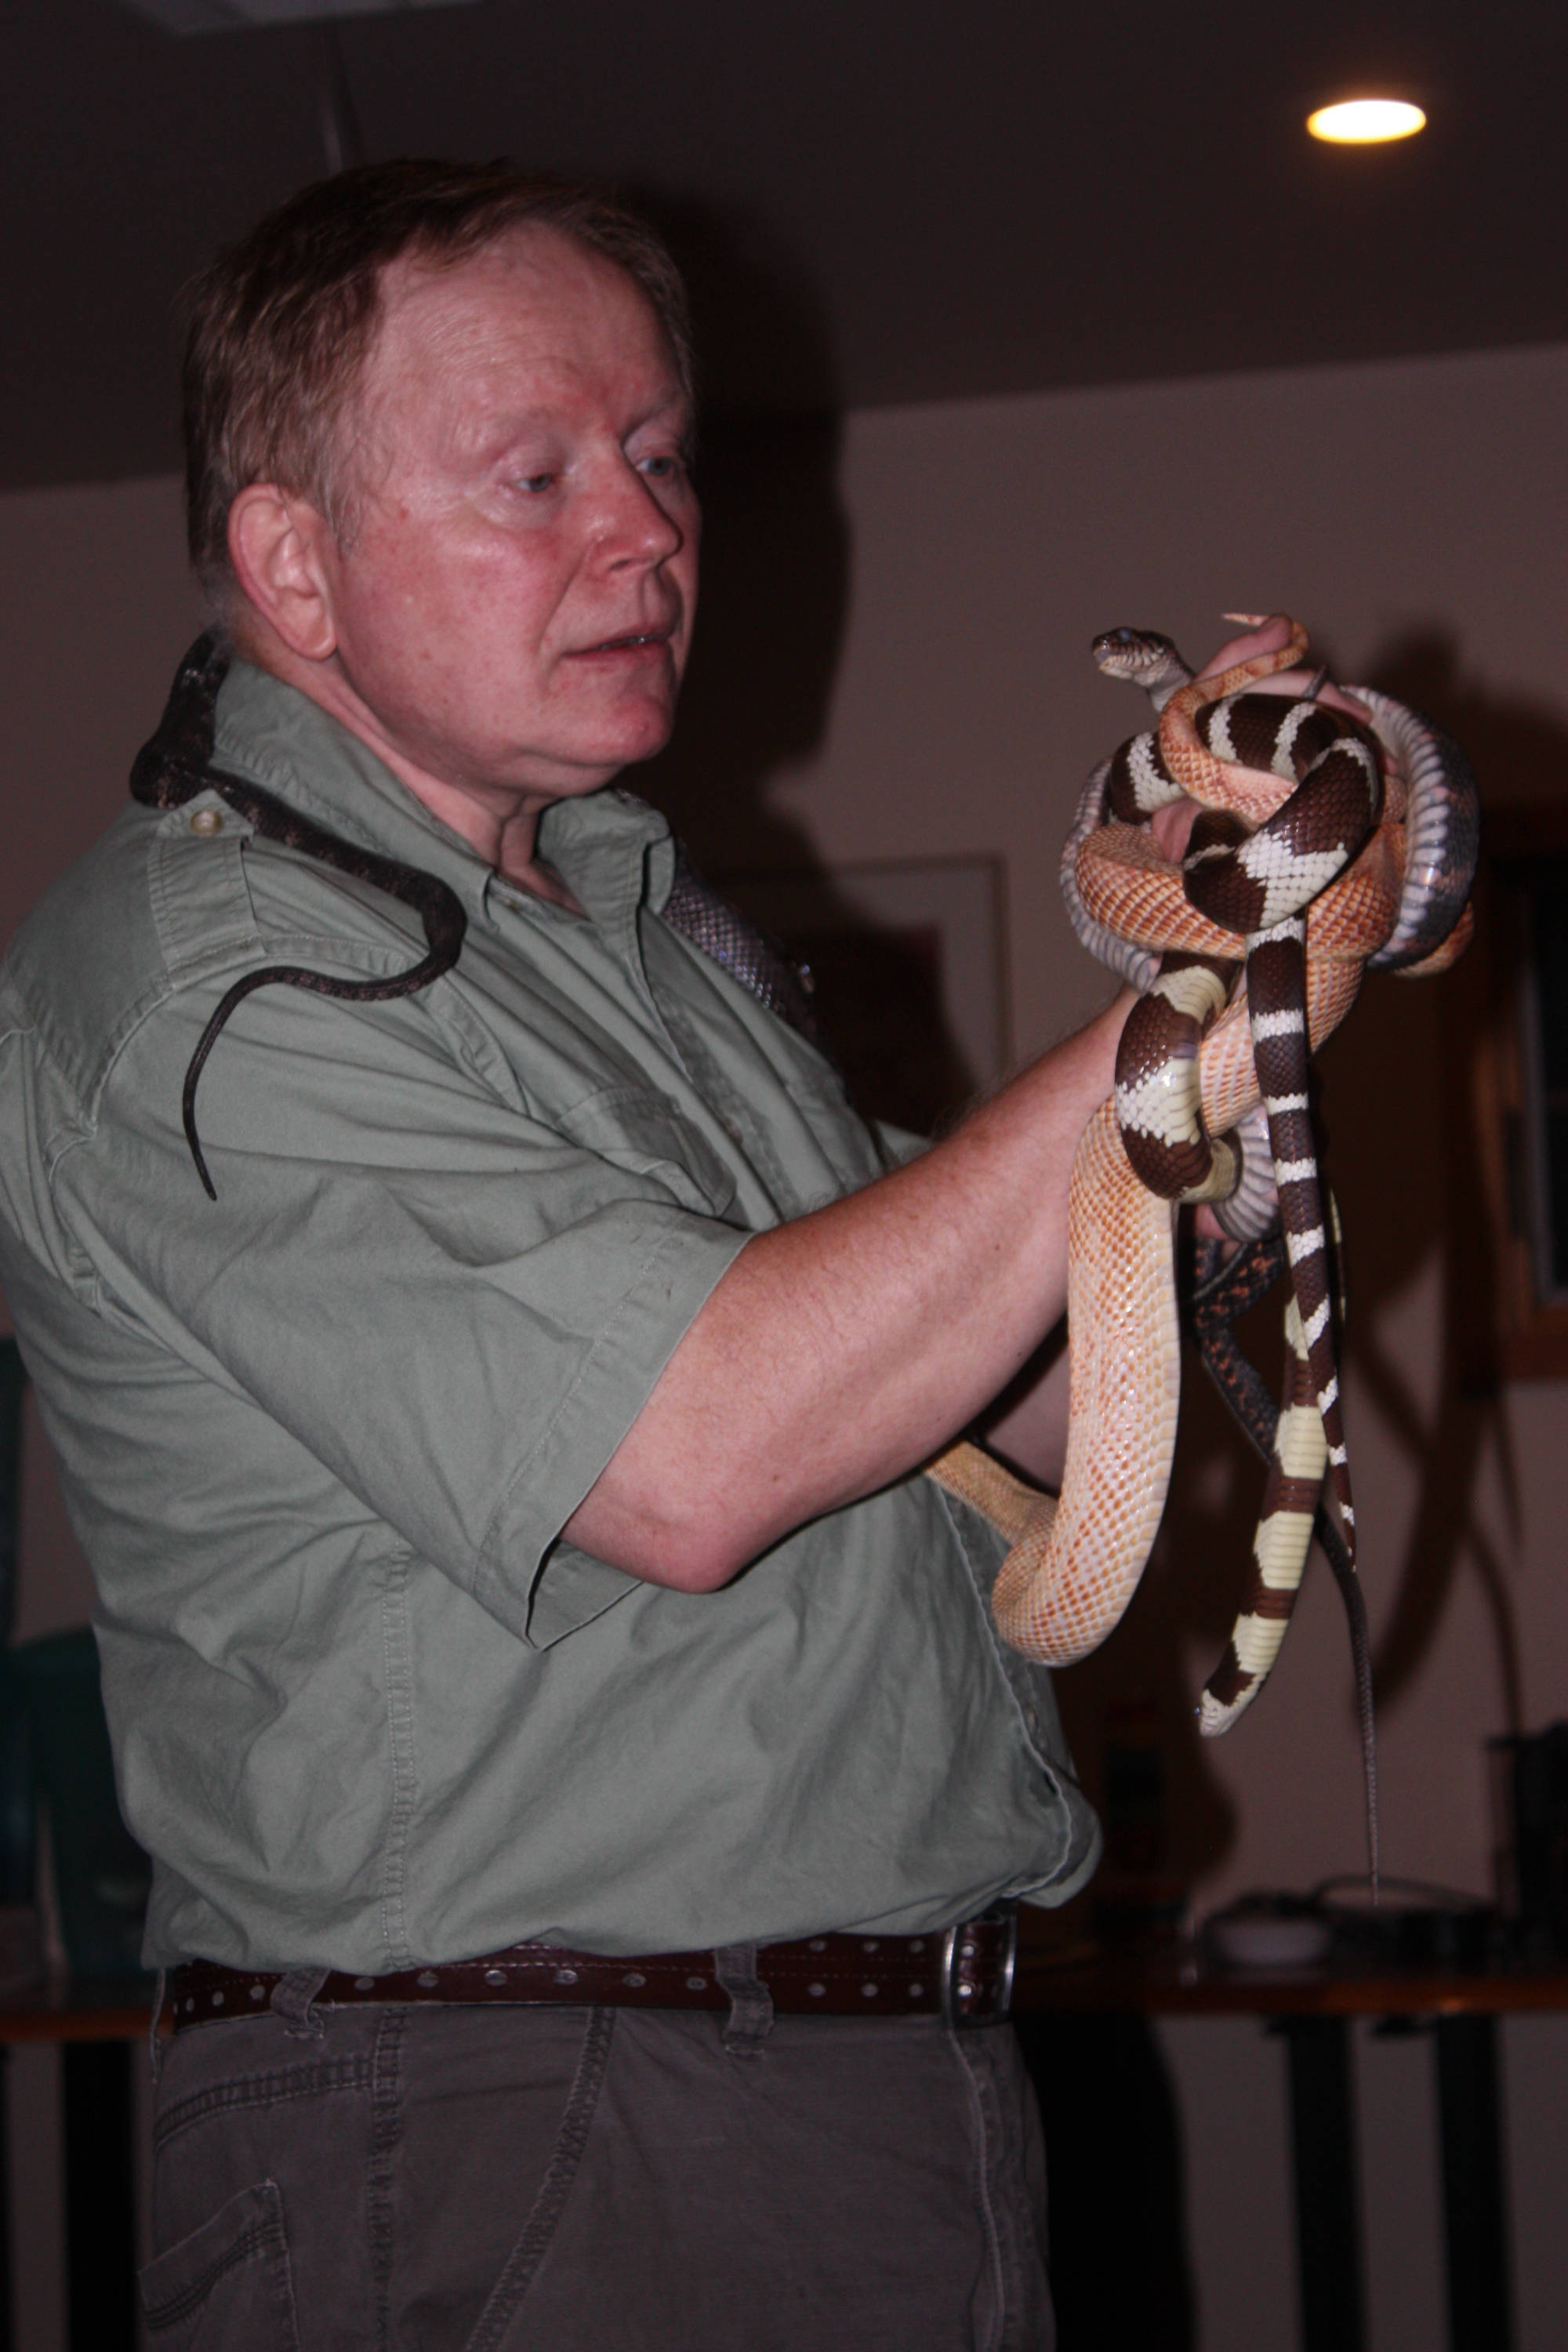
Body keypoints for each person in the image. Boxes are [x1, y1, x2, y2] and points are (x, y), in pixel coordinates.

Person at [0, 159, 1280, 2349]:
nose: (647, 532)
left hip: (886, 2089)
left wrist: (1244, 1078)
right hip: (519, 2128)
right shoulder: (203, 978)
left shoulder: (642, 949)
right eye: (535, 475)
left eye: (661, 455)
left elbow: (1034, 1381)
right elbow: (692, 1461)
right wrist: (1177, 1007)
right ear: (290, 561)